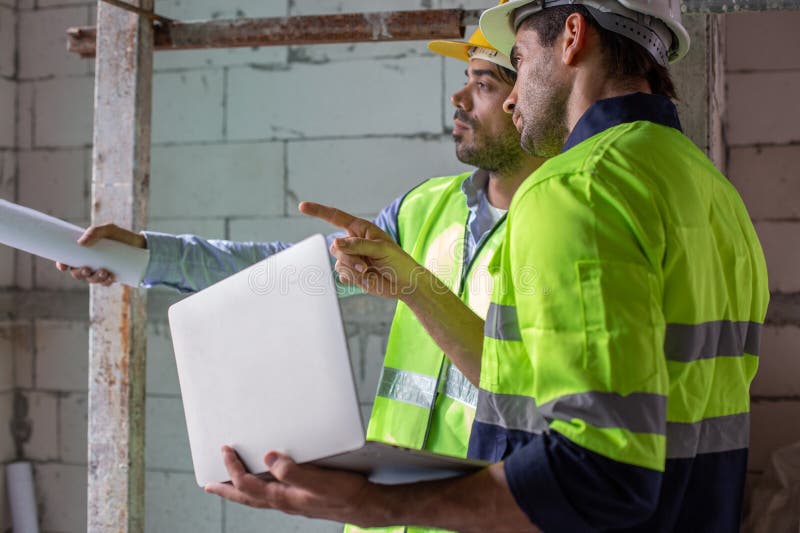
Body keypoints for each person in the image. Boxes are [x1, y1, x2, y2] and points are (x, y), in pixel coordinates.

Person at [203, 0, 770, 531]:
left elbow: (600, 472)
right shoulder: (712, 190)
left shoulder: (578, 188)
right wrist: (415, 287)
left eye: (518, 61)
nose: (511, 95)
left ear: (572, 37)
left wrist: (371, 502)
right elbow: (523, 386)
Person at [57, 16, 545, 533]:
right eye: (466, 79)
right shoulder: (424, 207)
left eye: (484, 84)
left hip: (485, 514)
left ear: (527, 100)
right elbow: (288, 274)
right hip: (379, 519)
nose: (460, 98)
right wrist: (146, 255)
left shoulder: (570, 226)